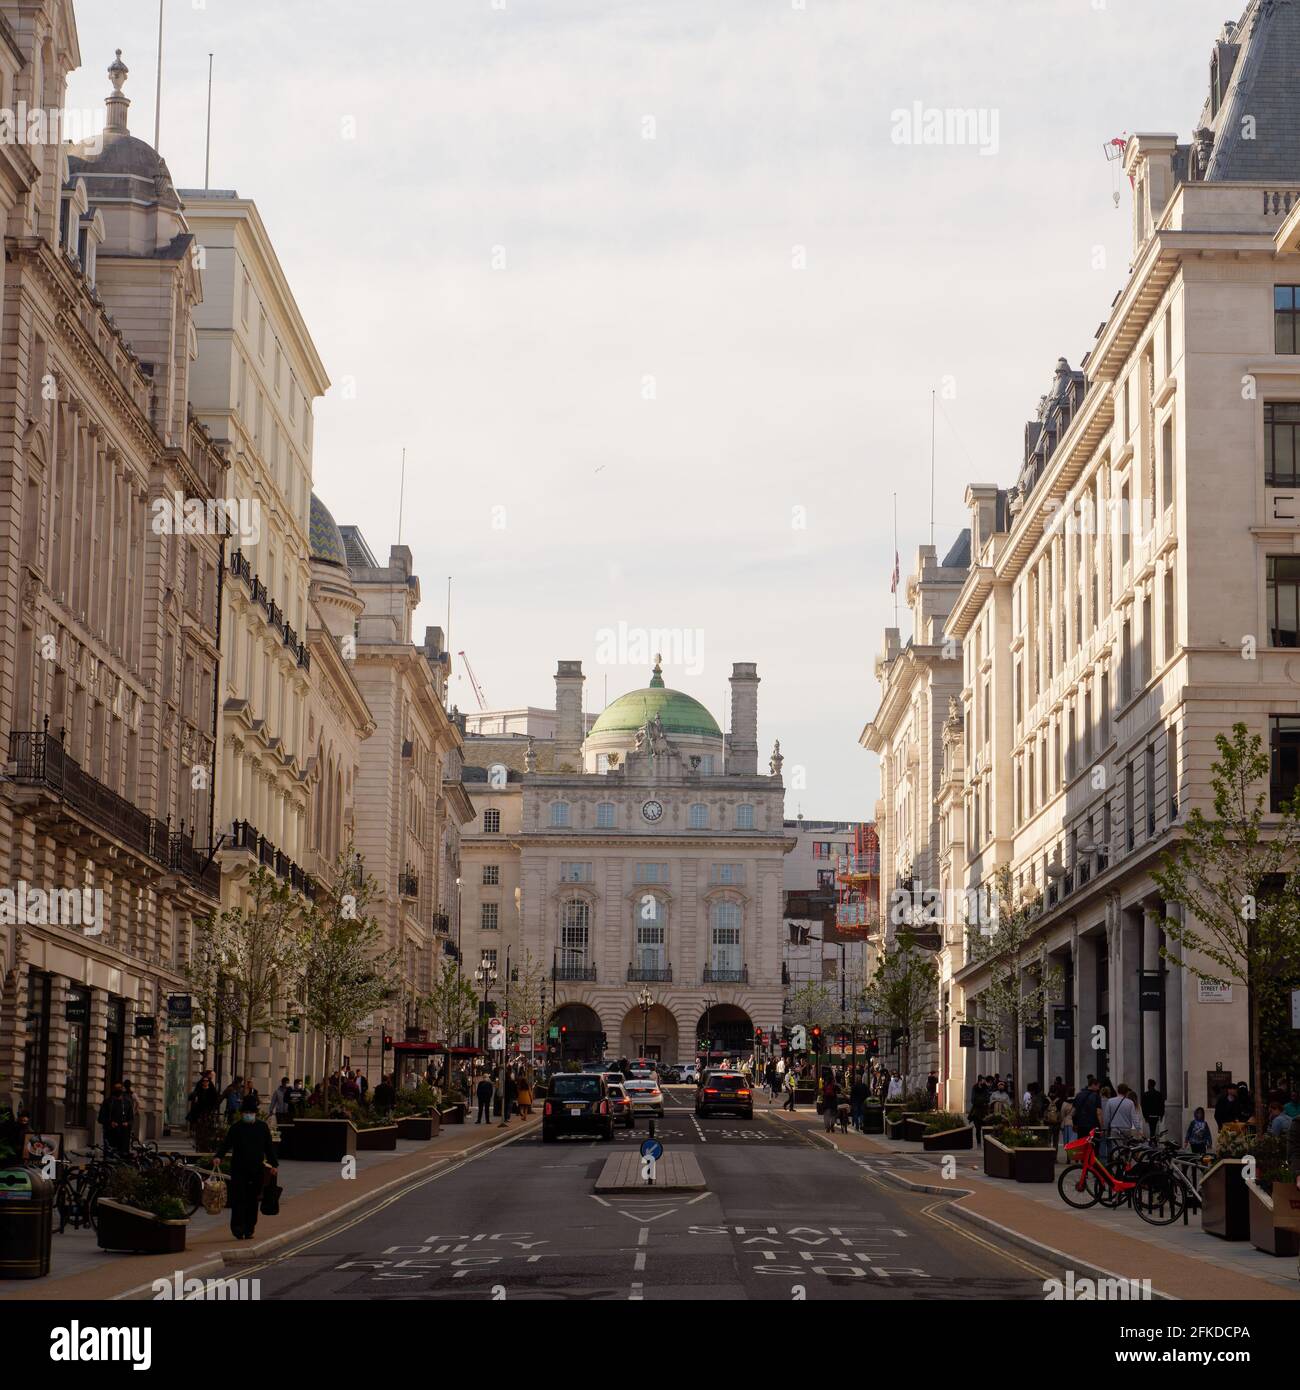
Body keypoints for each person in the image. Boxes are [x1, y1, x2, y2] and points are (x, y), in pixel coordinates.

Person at [215, 1094, 278, 1241]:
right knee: (238, 1199)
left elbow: (269, 1148)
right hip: (239, 1169)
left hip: (256, 1169)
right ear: (242, 1113)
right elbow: (226, 1144)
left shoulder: (262, 1128)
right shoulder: (236, 1128)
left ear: (255, 1113)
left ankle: (249, 1228)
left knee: (252, 1200)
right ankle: (238, 1228)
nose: (248, 1115)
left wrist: (274, 1164)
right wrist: (218, 1156)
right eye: (245, 1113)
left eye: (250, 1113)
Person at [98, 1082, 133, 1156]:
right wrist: (110, 1123)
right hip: (111, 1134)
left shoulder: (127, 1102)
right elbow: (101, 1118)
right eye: (116, 1088)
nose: (118, 1090)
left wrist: (127, 1123)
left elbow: (131, 1119)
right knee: (110, 1156)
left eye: (120, 1088)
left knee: (123, 1156)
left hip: (123, 1136)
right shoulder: (108, 1102)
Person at [187, 1074, 220, 1144]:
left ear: (208, 1082)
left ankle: (206, 1135)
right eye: (204, 1081)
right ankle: (197, 1134)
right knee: (198, 1122)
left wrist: (213, 1108)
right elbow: (192, 1096)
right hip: (199, 1109)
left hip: (208, 1110)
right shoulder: (199, 1090)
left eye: (207, 1081)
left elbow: (215, 1100)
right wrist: (194, 1097)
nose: (205, 1082)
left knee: (207, 1123)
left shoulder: (212, 1090)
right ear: (202, 1082)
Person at [1071, 1077, 1103, 1143]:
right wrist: (1101, 1127)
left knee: (1082, 1145)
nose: (1098, 1088)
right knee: (1093, 1147)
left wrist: (1074, 1124)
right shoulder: (1096, 1096)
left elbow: (1073, 1112)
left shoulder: (1079, 1095)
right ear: (1093, 1085)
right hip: (1093, 1126)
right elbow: (1098, 1113)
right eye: (1098, 1086)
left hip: (1081, 1126)